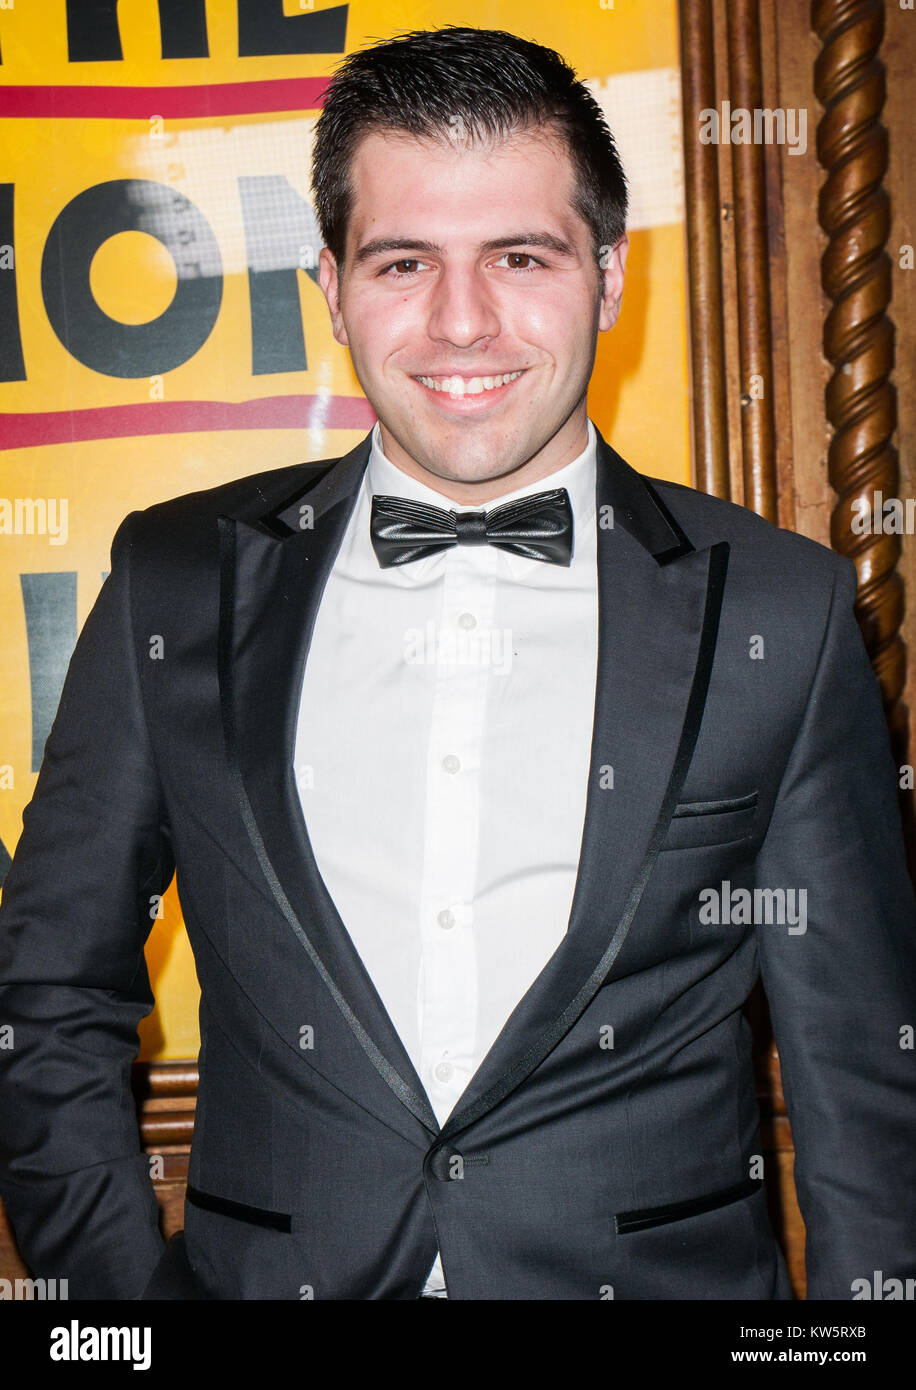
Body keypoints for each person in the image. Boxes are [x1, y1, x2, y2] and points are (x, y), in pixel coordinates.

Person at [0, 24, 914, 1302]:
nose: (460, 321)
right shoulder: (173, 578)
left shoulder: (781, 607)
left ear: (605, 277)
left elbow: (865, 1072)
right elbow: (44, 995)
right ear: (330, 286)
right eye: (403, 260)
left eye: (520, 256)